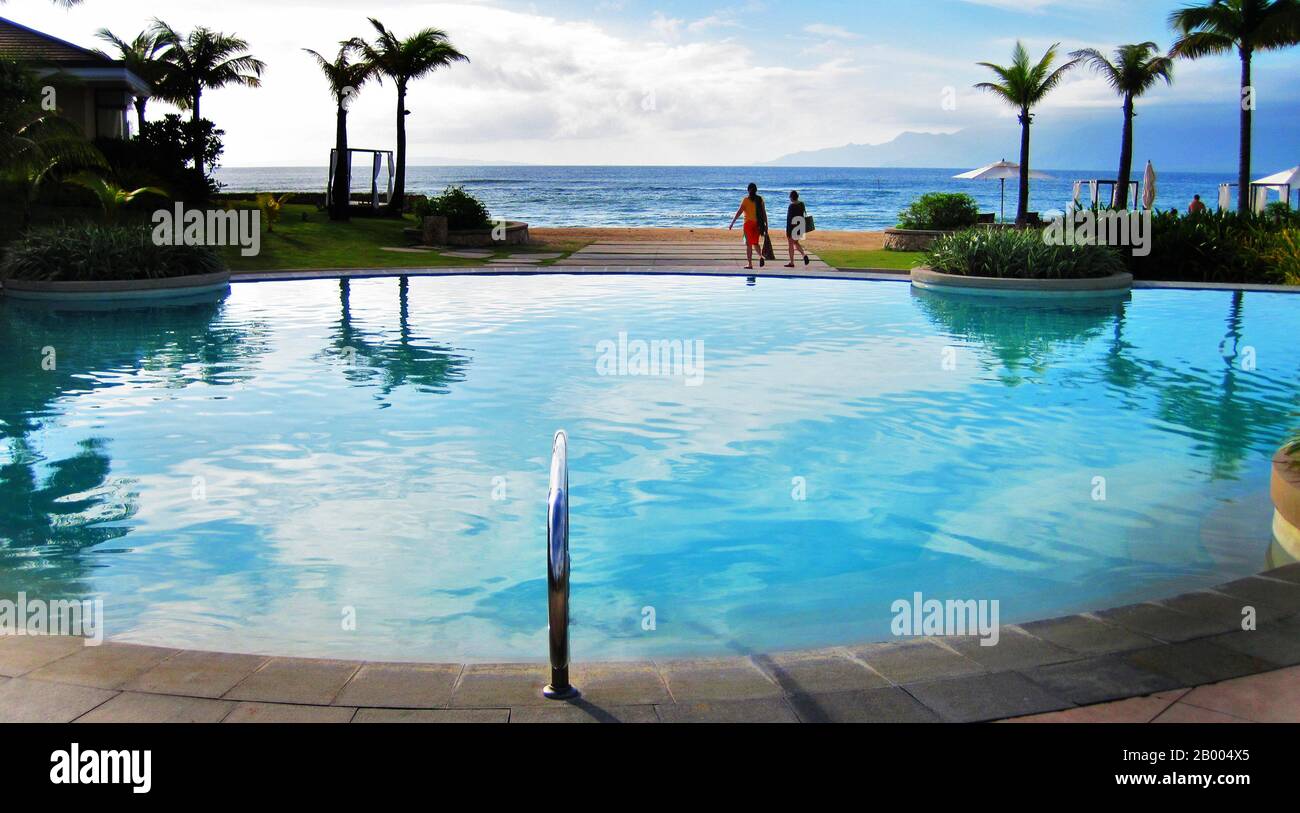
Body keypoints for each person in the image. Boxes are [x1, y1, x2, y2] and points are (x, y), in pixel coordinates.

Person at [728, 182, 768, 269]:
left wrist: (732, 222)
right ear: (756, 190)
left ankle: (750, 264)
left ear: (748, 190)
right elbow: (764, 213)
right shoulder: (760, 199)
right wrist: (766, 224)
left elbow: (739, 212)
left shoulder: (746, 200)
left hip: (748, 224)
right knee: (756, 243)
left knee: (748, 244)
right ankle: (761, 256)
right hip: (757, 224)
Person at [785, 190, 810, 267]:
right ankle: (804, 254)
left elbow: (789, 219)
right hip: (800, 225)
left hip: (793, 227)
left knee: (791, 244)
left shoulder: (791, 206)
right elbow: (803, 214)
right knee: (796, 242)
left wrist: (788, 231)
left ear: (792, 197)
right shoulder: (802, 204)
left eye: (790, 196)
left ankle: (792, 262)